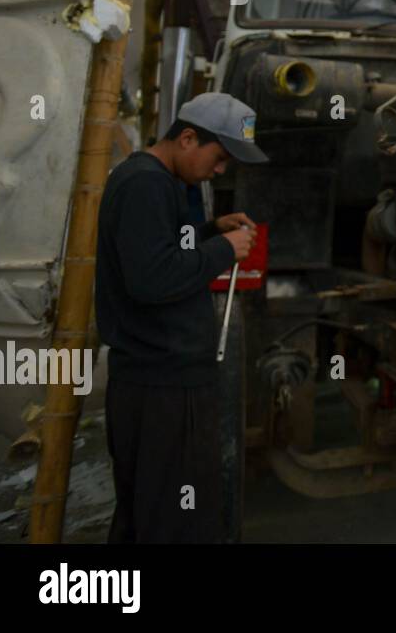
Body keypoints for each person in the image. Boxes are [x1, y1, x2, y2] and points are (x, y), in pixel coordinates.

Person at [96, 92, 268, 542]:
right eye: (220, 158)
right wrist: (222, 250)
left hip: (165, 381)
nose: (220, 170)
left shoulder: (165, 183)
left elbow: (168, 249)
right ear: (188, 138)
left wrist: (212, 230)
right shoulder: (144, 184)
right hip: (161, 387)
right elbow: (151, 279)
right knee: (168, 522)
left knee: (154, 515)